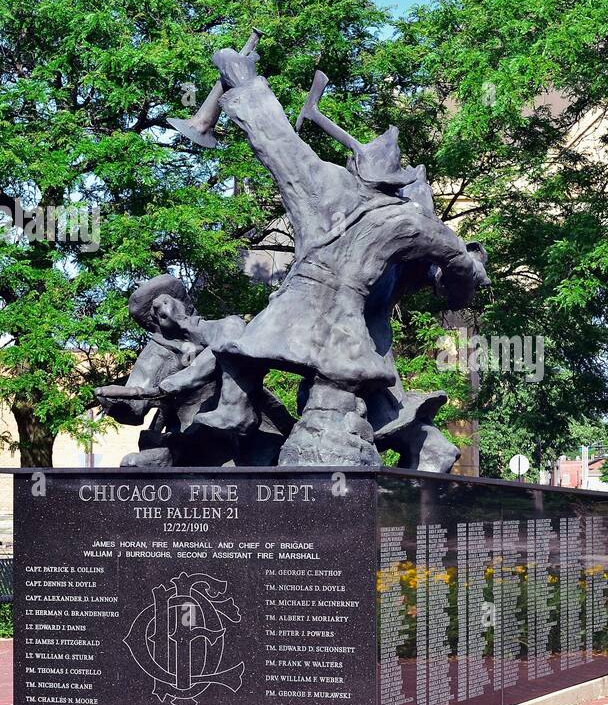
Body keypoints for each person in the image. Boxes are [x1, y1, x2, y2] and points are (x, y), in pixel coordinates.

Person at [210, 48, 489, 467]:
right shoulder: (409, 222)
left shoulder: (328, 183)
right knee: (261, 360)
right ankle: (425, 448)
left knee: (248, 357)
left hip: (315, 316)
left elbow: (277, 139)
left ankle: (413, 449)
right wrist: (463, 279)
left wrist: (245, 79)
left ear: (359, 170)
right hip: (345, 327)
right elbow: (460, 264)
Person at [95, 274, 293, 467]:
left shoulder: (215, 328)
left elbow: (234, 343)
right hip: (192, 438)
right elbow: (135, 408)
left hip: (251, 435)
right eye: (158, 309)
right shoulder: (155, 354)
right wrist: (117, 403)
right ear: (154, 320)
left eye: (169, 301)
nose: (167, 309)